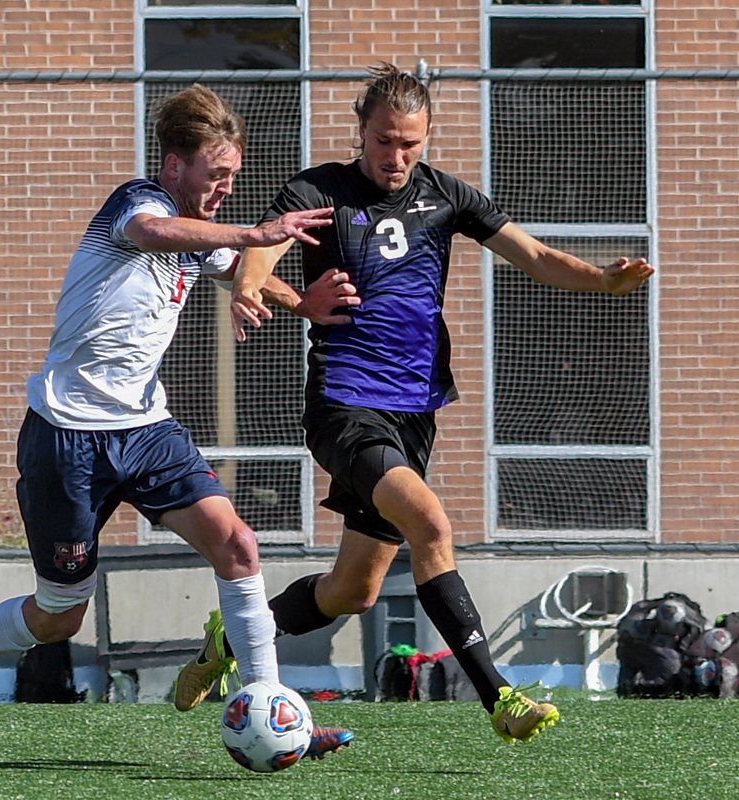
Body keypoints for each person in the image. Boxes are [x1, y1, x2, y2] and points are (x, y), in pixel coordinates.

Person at [174, 64, 654, 743]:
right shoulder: (317, 191)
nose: (395, 157)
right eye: (382, 141)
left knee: (352, 591)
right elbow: (260, 256)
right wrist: (258, 288)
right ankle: (500, 697)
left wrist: (602, 282)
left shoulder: (446, 196)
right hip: (344, 406)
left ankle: (231, 637)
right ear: (360, 131)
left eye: (409, 144)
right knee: (431, 524)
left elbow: (536, 254)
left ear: (427, 137)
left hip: (413, 414)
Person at [0, 84, 353, 757]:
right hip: (66, 435)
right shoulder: (138, 203)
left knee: (238, 547)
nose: (228, 188)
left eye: (235, 176)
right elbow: (157, 233)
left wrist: (304, 303)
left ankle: (272, 706)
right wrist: (255, 234)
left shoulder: (201, 232)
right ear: (175, 166)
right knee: (60, 616)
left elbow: (240, 274)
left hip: (146, 431)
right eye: (218, 174)